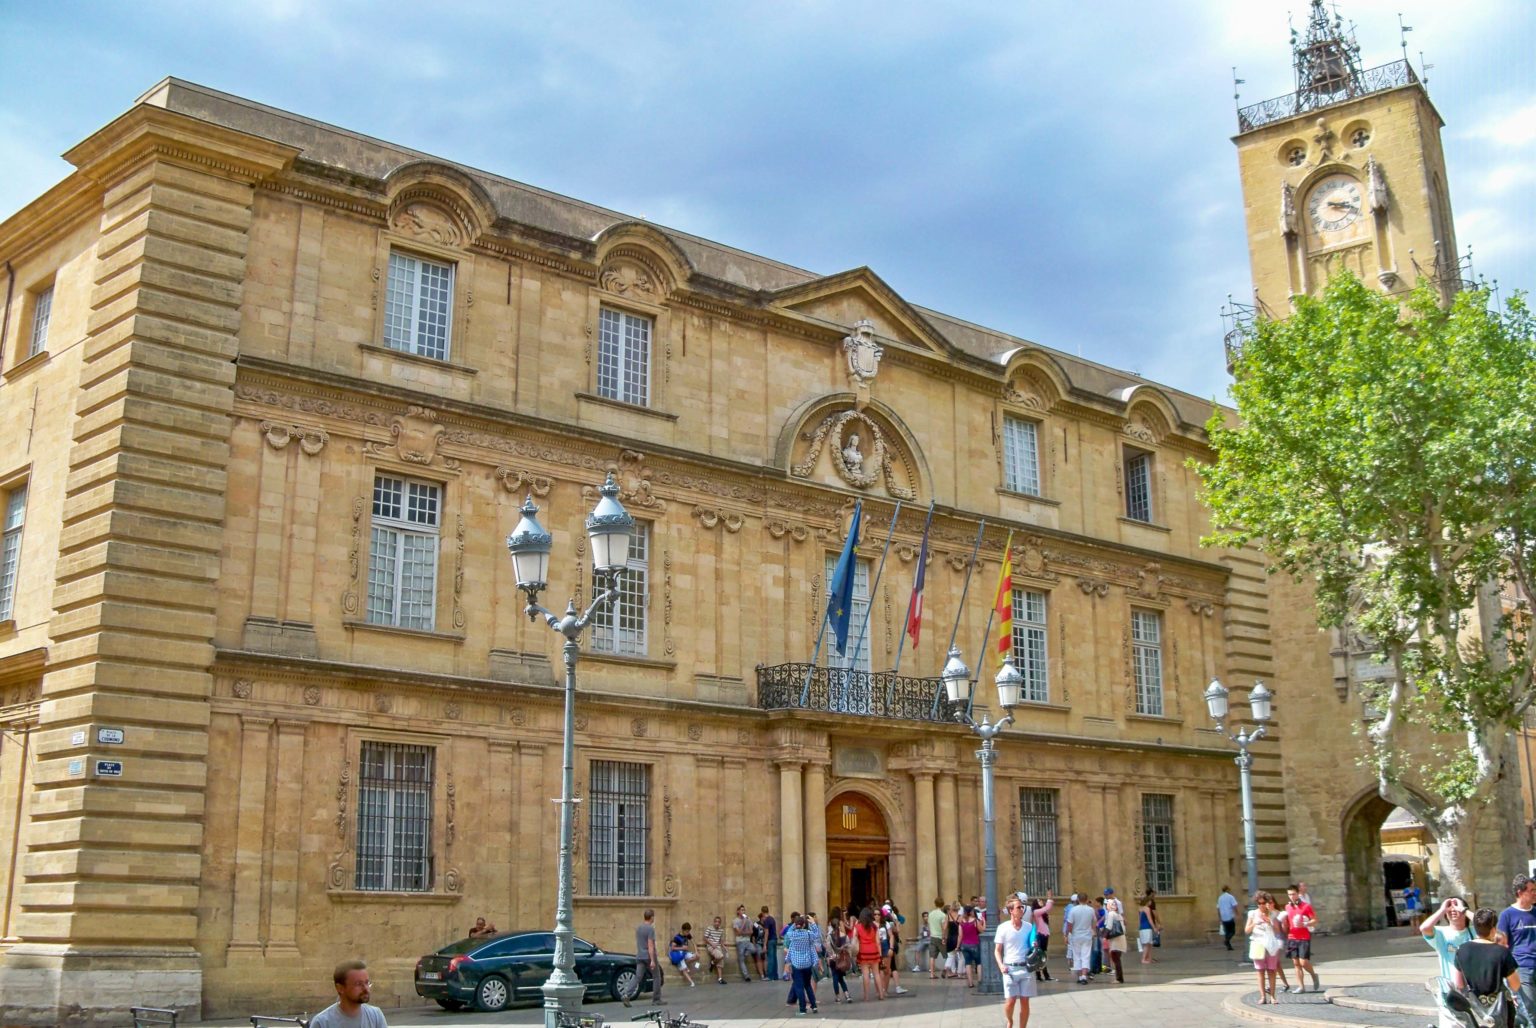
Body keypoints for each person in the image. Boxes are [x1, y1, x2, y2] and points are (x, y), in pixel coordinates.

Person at [1454, 907, 1523, 1027]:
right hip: (1501, 1010)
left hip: (1476, 1010)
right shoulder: (1502, 952)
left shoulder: (1461, 950)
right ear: (1493, 929)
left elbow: (1459, 983)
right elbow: (1515, 985)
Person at [1421, 897, 1473, 1028]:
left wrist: (1464, 910)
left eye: (1456, 906)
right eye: (1449, 908)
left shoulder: (1474, 932)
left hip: (1473, 990)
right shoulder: (1441, 933)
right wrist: (1442, 909)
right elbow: (1424, 927)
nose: (1453, 910)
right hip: (1449, 991)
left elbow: (1488, 926)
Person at [994, 896, 1039, 1028]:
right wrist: (1001, 966)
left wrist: (1034, 945)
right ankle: (1010, 1020)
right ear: (1011, 910)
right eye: (1018, 907)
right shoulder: (1003, 928)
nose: (1021, 909)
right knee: (1010, 1002)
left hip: (1026, 968)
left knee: (1025, 1002)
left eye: (1022, 907)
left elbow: (1032, 944)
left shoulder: (1029, 926)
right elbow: (997, 950)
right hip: (1010, 969)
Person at [1496, 874, 1536, 1015]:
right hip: (1522, 968)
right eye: (1531, 890)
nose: (1535, 893)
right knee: (1529, 1010)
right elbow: (1501, 945)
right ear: (1520, 892)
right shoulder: (1507, 915)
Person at [310, 960, 387, 1028]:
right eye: (358, 984)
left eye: (367, 983)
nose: (365, 988)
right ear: (340, 988)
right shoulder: (322, 1023)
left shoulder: (376, 1015)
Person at [1246, 891, 1284, 1005]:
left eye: (1263, 903)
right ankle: (1262, 996)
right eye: (1259, 903)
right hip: (1257, 944)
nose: (1261, 905)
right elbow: (1247, 930)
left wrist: (1270, 922)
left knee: (1272, 970)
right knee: (1260, 971)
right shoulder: (1252, 914)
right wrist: (1254, 923)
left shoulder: (1273, 914)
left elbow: (1278, 931)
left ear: (1268, 903)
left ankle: (1272, 996)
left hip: (1271, 945)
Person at [1283, 883, 1320, 993]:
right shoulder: (1287, 907)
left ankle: (1313, 975)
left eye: (1293, 894)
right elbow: (1287, 922)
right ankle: (1301, 986)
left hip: (1304, 937)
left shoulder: (1306, 906)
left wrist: (1305, 924)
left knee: (1303, 962)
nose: (1291, 896)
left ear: (1298, 894)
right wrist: (1284, 925)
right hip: (1292, 937)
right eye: (1289, 894)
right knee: (1296, 963)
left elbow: (1315, 920)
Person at [623, 907, 663, 1007]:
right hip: (649, 956)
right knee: (656, 977)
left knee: (638, 977)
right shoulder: (650, 929)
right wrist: (653, 960)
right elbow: (650, 945)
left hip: (640, 955)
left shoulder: (639, 928)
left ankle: (626, 994)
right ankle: (656, 999)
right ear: (652, 917)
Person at [783, 913, 821, 1015]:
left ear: (796, 925)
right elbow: (817, 934)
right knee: (808, 985)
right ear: (804, 924)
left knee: (799, 987)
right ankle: (814, 1006)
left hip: (796, 964)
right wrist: (812, 923)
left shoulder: (793, 935)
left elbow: (788, 932)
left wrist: (794, 923)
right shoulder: (808, 934)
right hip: (807, 963)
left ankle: (802, 1009)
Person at [854, 905, 885, 1001]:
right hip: (874, 951)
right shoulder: (875, 927)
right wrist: (880, 955)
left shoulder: (858, 927)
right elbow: (878, 942)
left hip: (863, 952)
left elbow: (854, 939)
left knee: (866, 975)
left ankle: (866, 996)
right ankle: (881, 994)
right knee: (876, 974)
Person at [1066, 892, 1096, 985]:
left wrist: (1070, 932)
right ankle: (1084, 975)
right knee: (1086, 955)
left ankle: (1079, 976)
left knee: (1077, 956)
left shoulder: (1073, 910)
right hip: (1087, 935)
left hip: (1076, 935)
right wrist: (1092, 930)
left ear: (1078, 899)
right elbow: (1094, 922)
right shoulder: (1091, 910)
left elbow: (1069, 924)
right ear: (1087, 899)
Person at [1029, 890, 1056, 982]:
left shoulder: (1040, 913)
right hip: (1040, 936)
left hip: (1043, 936)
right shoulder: (1036, 912)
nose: (1041, 902)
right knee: (1041, 955)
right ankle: (1042, 975)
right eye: (1039, 901)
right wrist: (1049, 898)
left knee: (1041, 955)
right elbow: (1047, 907)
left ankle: (1041, 975)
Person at [1102, 888, 1127, 983]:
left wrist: (1104, 937)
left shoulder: (1111, 914)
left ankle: (1119, 978)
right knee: (1117, 958)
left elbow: (1108, 926)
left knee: (1115, 958)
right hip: (1121, 938)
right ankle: (1119, 977)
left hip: (1116, 939)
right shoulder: (1118, 915)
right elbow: (1123, 927)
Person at [670, 922, 700, 988]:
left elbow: (694, 943)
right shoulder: (677, 938)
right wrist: (682, 948)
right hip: (679, 955)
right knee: (684, 969)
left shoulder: (688, 935)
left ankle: (687, 964)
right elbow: (672, 948)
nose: (688, 933)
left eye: (688, 931)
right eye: (686, 931)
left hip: (685, 953)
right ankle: (691, 982)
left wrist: (696, 951)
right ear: (683, 930)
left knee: (697, 956)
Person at [959, 905, 983, 987]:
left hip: (964, 945)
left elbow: (960, 936)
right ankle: (980, 981)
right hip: (974, 944)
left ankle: (970, 983)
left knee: (968, 963)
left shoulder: (961, 922)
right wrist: (984, 922)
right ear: (971, 912)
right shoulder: (975, 921)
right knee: (979, 963)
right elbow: (982, 930)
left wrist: (957, 946)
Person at [731, 904, 756, 983]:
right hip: (740, 942)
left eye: (744, 910)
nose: (743, 911)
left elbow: (751, 932)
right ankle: (746, 976)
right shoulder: (735, 921)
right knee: (741, 960)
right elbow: (738, 932)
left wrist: (745, 931)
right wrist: (744, 923)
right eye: (741, 910)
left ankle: (746, 954)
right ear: (738, 911)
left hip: (747, 941)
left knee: (754, 950)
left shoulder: (748, 919)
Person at [702, 915, 727, 984]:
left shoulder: (721, 930)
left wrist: (724, 946)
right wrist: (712, 943)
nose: (717, 923)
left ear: (720, 923)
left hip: (718, 947)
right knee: (720, 956)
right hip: (711, 946)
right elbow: (705, 938)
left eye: (718, 922)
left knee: (720, 963)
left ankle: (720, 979)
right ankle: (712, 962)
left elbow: (720, 940)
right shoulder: (709, 928)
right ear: (714, 922)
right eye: (716, 921)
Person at [927, 898, 947, 980]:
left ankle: (932, 974)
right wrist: (943, 937)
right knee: (946, 955)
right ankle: (947, 971)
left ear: (935, 904)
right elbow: (943, 928)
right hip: (940, 937)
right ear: (943, 904)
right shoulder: (943, 915)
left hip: (932, 936)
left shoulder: (930, 914)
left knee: (932, 956)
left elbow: (929, 924)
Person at [1138, 894, 1160, 964]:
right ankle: (1144, 959)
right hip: (1147, 927)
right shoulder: (1147, 909)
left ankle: (1149, 958)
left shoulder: (1140, 909)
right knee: (1147, 944)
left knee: (1149, 944)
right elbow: (1150, 919)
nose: (1151, 902)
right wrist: (1154, 927)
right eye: (1150, 901)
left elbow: (1140, 919)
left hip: (1142, 928)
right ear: (1147, 901)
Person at [760, 906, 779, 982]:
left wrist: (764, 944)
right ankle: (775, 975)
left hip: (770, 940)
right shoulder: (772, 919)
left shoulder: (767, 920)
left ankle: (770, 976)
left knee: (770, 958)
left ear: (762, 912)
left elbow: (766, 932)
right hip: (774, 939)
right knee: (774, 958)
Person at [1218, 885, 1240, 951]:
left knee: (1227, 932)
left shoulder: (1220, 898)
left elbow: (1218, 908)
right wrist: (1237, 913)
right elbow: (1234, 906)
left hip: (1223, 917)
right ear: (1227, 889)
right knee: (1232, 931)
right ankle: (1226, 940)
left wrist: (1219, 917)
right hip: (1230, 916)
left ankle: (1228, 946)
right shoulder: (1230, 897)